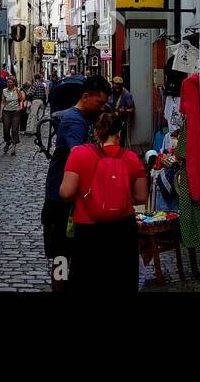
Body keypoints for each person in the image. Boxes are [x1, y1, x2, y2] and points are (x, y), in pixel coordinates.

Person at [60, 112, 148, 292]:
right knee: (121, 279)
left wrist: (87, 194)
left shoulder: (79, 154)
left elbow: (66, 192)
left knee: (87, 278)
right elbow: (141, 197)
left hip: (88, 228)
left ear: (96, 133)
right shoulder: (132, 158)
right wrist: (118, 194)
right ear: (119, 134)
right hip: (123, 228)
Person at [41, 75, 112, 292]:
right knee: (61, 252)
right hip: (61, 197)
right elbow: (79, 156)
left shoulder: (85, 118)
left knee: (67, 250)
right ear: (85, 97)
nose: (102, 107)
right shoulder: (74, 121)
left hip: (69, 195)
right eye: (99, 102)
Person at [107, 76, 136, 146]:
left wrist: (125, 110)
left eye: (119, 84)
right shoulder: (109, 92)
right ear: (113, 84)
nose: (117, 86)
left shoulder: (126, 94)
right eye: (116, 84)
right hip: (109, 119)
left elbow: (132, 109)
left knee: (120, 138)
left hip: (121, 120)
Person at [0, 76, 25, 156]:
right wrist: (1, 113)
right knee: (6, 129)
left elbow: (21, 100)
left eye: (10, 82)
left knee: (15, 130)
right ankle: (8, 141)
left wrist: (20, 108)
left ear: (14, 83)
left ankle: (14, 146)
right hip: (6, 112)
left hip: (16, 112)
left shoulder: (18, 90)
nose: (9, 84)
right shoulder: (4, 90)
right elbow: (3, 102)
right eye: (8, 82)